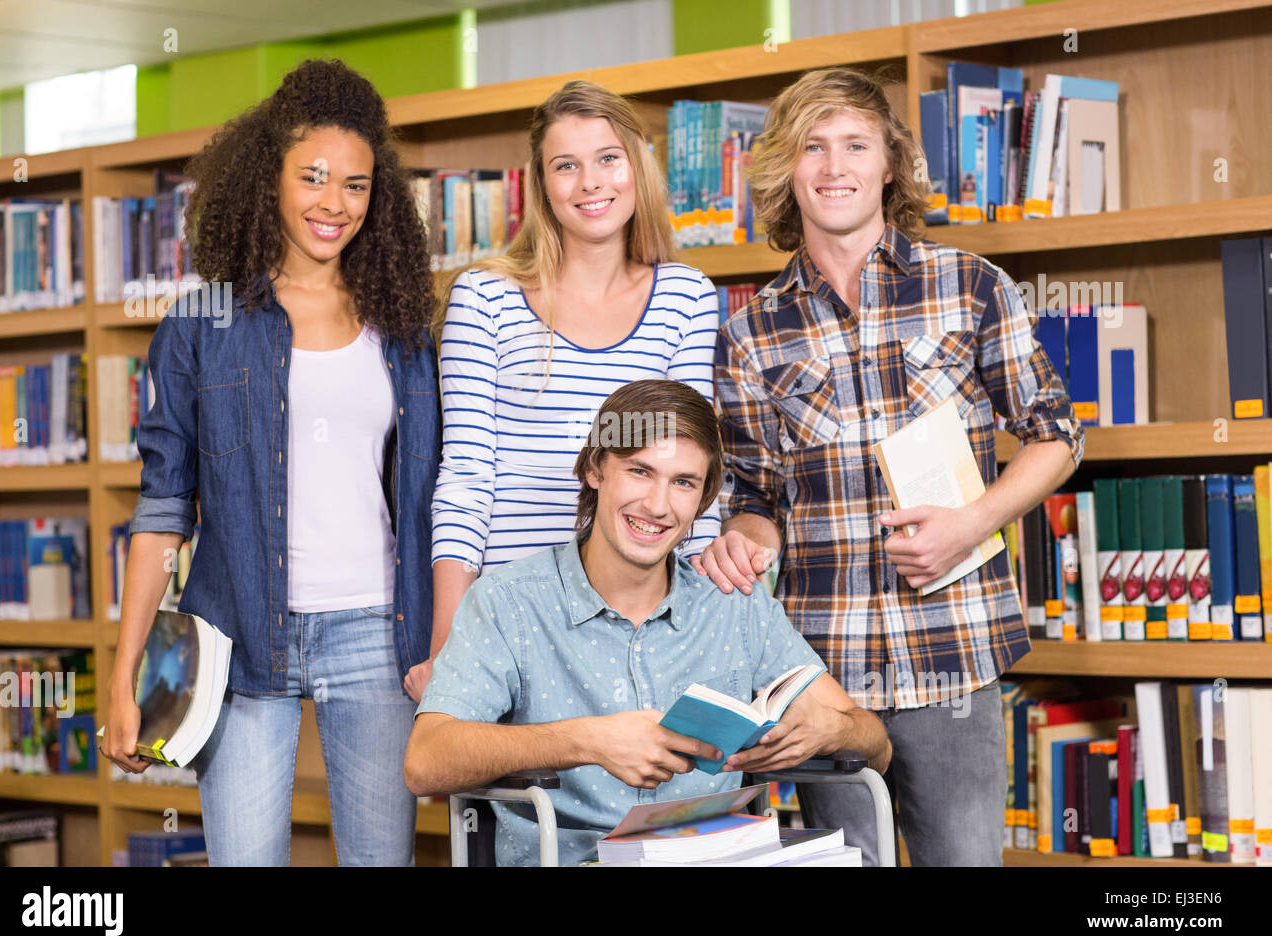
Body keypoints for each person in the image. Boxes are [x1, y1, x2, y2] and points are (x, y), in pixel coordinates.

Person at [698, 68, 1084, 866]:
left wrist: (970, 524)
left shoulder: (971, 288)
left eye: (855, 146)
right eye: (813, 147)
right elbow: (755, 492)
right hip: (821, 674)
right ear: (784, 171)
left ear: (889, 166)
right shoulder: (750, 334)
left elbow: (1056, 436)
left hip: (954, 652)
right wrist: (741, 533)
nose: (834, 167)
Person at [100, 59, 439, 866]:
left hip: (377, 631)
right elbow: (160, 512)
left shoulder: (403, 327)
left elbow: (434, 494)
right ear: (269, 177)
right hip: (238, 634)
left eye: (356, 185)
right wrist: (125, 680)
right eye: (313, 177)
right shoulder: (201, 325)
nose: (334, 203)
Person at [405, 379, 892, 866]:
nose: (658, 506)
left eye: (683, 482)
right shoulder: (507, 603)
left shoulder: (736, 606)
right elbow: (425, 762)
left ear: (703, 498)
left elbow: (876, 746)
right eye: (640, 471)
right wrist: (589, 740)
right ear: (595, 469)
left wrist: (831, 730)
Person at [411, 80, 722, 703]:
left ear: (638, 168)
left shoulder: (686, 298)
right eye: (566, 165)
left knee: (651, 795)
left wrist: (707, 626)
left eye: (608, 158)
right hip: (509, 615)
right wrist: (449, 638)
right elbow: (468, 474)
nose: (590, 183)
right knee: (517, 797)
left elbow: (692, 477)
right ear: (542, 185)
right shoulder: (485, 297)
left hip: (636, 615)